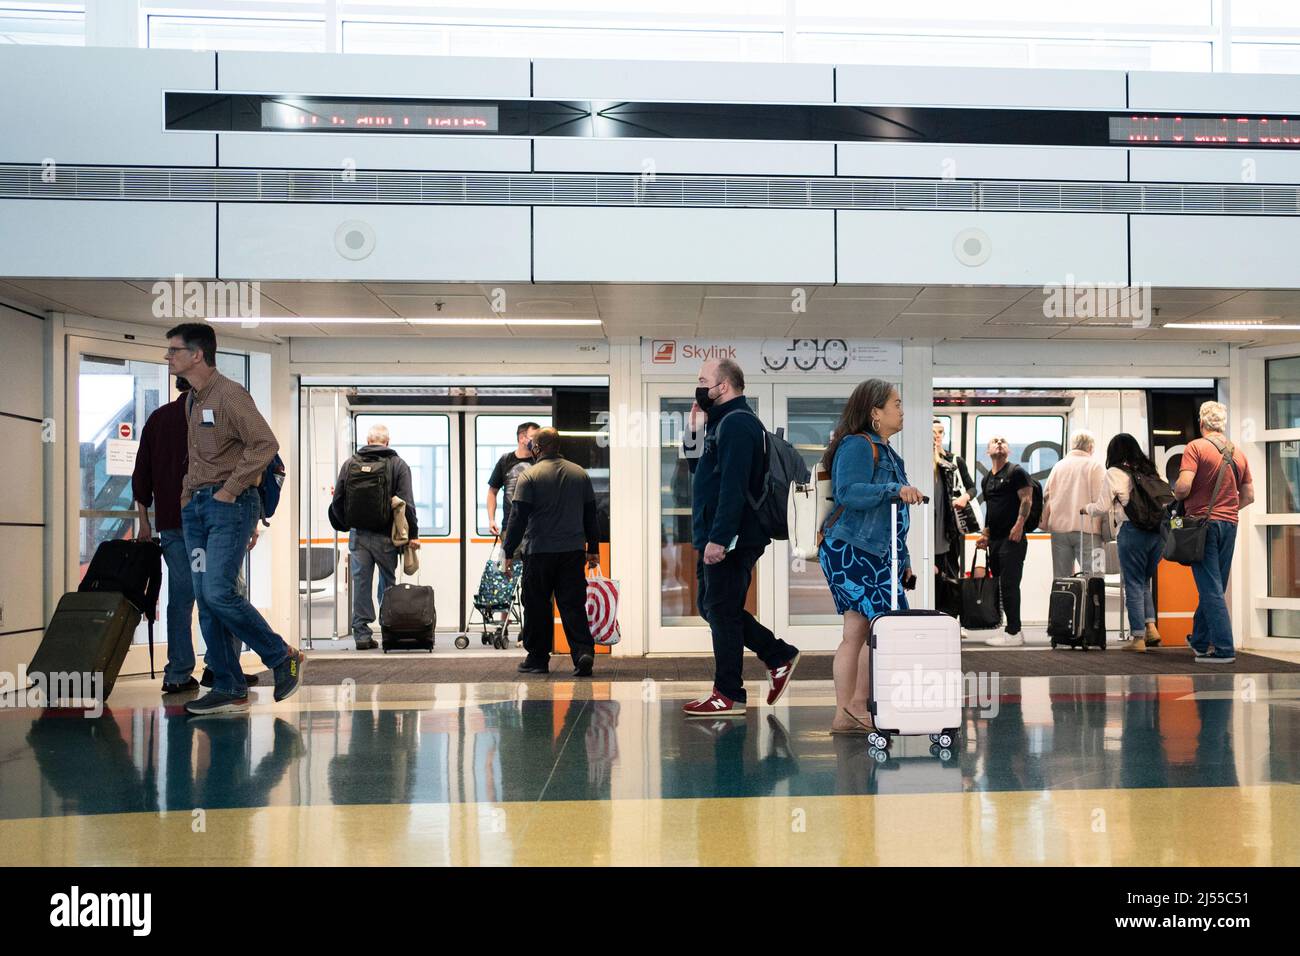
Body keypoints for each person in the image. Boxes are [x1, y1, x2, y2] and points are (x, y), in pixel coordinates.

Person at [166, 322, 305, 715]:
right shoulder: (192, 399)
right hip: (197, 509)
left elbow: (265, 443)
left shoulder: (230, 394)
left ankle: (281, 657)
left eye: (174, 350)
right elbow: (200, 456)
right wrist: (186, 495)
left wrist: (229, 490)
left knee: (218, 592)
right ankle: (228, 685)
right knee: (206, 600)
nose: (168, 357)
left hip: (230, 506)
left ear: (197, 354)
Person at [680, 358, 800, 717]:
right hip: (716, 535)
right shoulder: (721, 424)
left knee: (721, 608)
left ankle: (729, 692)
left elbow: (733, 487)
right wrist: (694, 429)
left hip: (732, 538)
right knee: (714, 607)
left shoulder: (738, 425)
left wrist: (720, 538)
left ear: (724, 386)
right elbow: (697, 470)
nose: (699, 387)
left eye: (703, 380)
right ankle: (778, 655)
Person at [133, 376, 260, 692]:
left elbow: (142, 475)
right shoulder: (213, 418)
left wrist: (144, 523)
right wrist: (250, 520)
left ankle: (178, 672)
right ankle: (221, 667)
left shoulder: (158, 419)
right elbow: (242, 466)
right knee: (223, 591)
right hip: (212, 522)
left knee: (182, 596)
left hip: (172, 523)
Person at [819, 380, 923, 734]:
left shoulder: (890, 453)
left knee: (860, 630)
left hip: (875, 553)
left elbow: (894, 517)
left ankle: (852, 711)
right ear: (875, 412)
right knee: (872, 628)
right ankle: (851, 709)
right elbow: (850, 493)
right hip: (851, 549)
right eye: (896, 403)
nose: (902, 409)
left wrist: (903, 558)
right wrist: (895, 489)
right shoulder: (857, 445)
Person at [500, 427, 601, 677]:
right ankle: (583, 654)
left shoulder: (530, 476)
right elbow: (591, 515)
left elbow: (517, 518)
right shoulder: (580, 474)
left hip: (538, 552)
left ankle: (537, 659)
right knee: (572, 605)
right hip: (572, 552)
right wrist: (593, 550)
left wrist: (508, 551)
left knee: (536, 606)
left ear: (537, 447)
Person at [1174, 401, 1255, 664]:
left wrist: (1176, 494)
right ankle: (1198, 640)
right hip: (1229, 525)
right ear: (1223, 423)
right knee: (1214, 586)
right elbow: (1249, 496)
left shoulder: (1195, 447)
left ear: (1201, 423)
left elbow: (1184, 487)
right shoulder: (1238, 453)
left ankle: (1223, 649)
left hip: (1203, 526)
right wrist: (1228, 510)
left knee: (1210, 589)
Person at [328, 423, 419, 651]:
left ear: (368, 441)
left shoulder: (350, 463)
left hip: (358, 535)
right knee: (388, 583)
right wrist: (413, 535)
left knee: (360, 583)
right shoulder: (398, 464)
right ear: (387, 442)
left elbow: (337, 499)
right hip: (387, 536)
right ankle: (389, 629)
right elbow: (407, 503)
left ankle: (361, 634)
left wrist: (346, 524)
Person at [1085, 433, 1166, 653]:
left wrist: (1087, 508)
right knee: (1143, 581)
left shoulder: (1115, 472)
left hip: (1132, 532)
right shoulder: (1149, 470)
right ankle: (1151, 628)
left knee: (1132, 583)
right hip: (1157, 534)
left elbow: (1102, 506)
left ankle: (1138, 637)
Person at [978, 435, 1034, 647]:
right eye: (994, 441)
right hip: (996, 540)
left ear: (1008, 450)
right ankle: (1008, 630)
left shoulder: (1016, 472)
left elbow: (1027, 499)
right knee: (1001, 586)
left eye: (1003, 441)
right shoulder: (986, 479)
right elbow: (991, 509)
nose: (999, 443)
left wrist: (1019, 525)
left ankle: (1014, 632)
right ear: (988, 451)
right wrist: (985, 534)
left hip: (1013, 539)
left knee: (1010, 585)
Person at [486, 421, 539, 636]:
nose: (536, 442)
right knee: (505, 577)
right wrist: (491, 519)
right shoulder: (506, 461)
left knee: (532, 581)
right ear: (522, 438)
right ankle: (504, 625)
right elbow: (492, 491)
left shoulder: (539, 461)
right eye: (533, 437)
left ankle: (530, 627)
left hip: (535, 529)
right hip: (510, 528)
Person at [1041, 430, 1107, 578]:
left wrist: (1045, 522)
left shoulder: (1058, 466)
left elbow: (1047, 496)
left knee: (1062, 579)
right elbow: (1101, 501)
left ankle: (1065, 601)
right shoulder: (1095, 466)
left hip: (1059, 531)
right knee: (1095, 578)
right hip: (1089, 531)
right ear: (1090, 447)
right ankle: (1091, 602)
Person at [933, 418, 976, 616]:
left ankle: (952, 616)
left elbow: (972, 487)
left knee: (951, 571)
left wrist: (964, 498)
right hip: (933, 524)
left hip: (951, 526)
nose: (937, 436)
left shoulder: (954, 460)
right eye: (933, 433)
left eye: (940, 432)